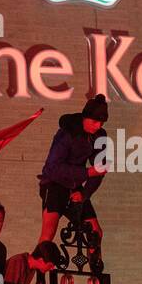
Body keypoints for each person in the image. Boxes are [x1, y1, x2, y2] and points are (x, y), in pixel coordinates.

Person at [36, 94, 108, 249]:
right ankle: (38, 267)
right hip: (53, 184)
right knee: (48, 233)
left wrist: (84, 194)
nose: (98, 126)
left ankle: (95, 271)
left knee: (95, 232)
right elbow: (52, 168)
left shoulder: (100, 136)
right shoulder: (66, 133)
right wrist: (87, 172)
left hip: (74, 185)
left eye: (101, 123)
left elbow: (99, 170)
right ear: (85, 117)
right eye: (95, 121)